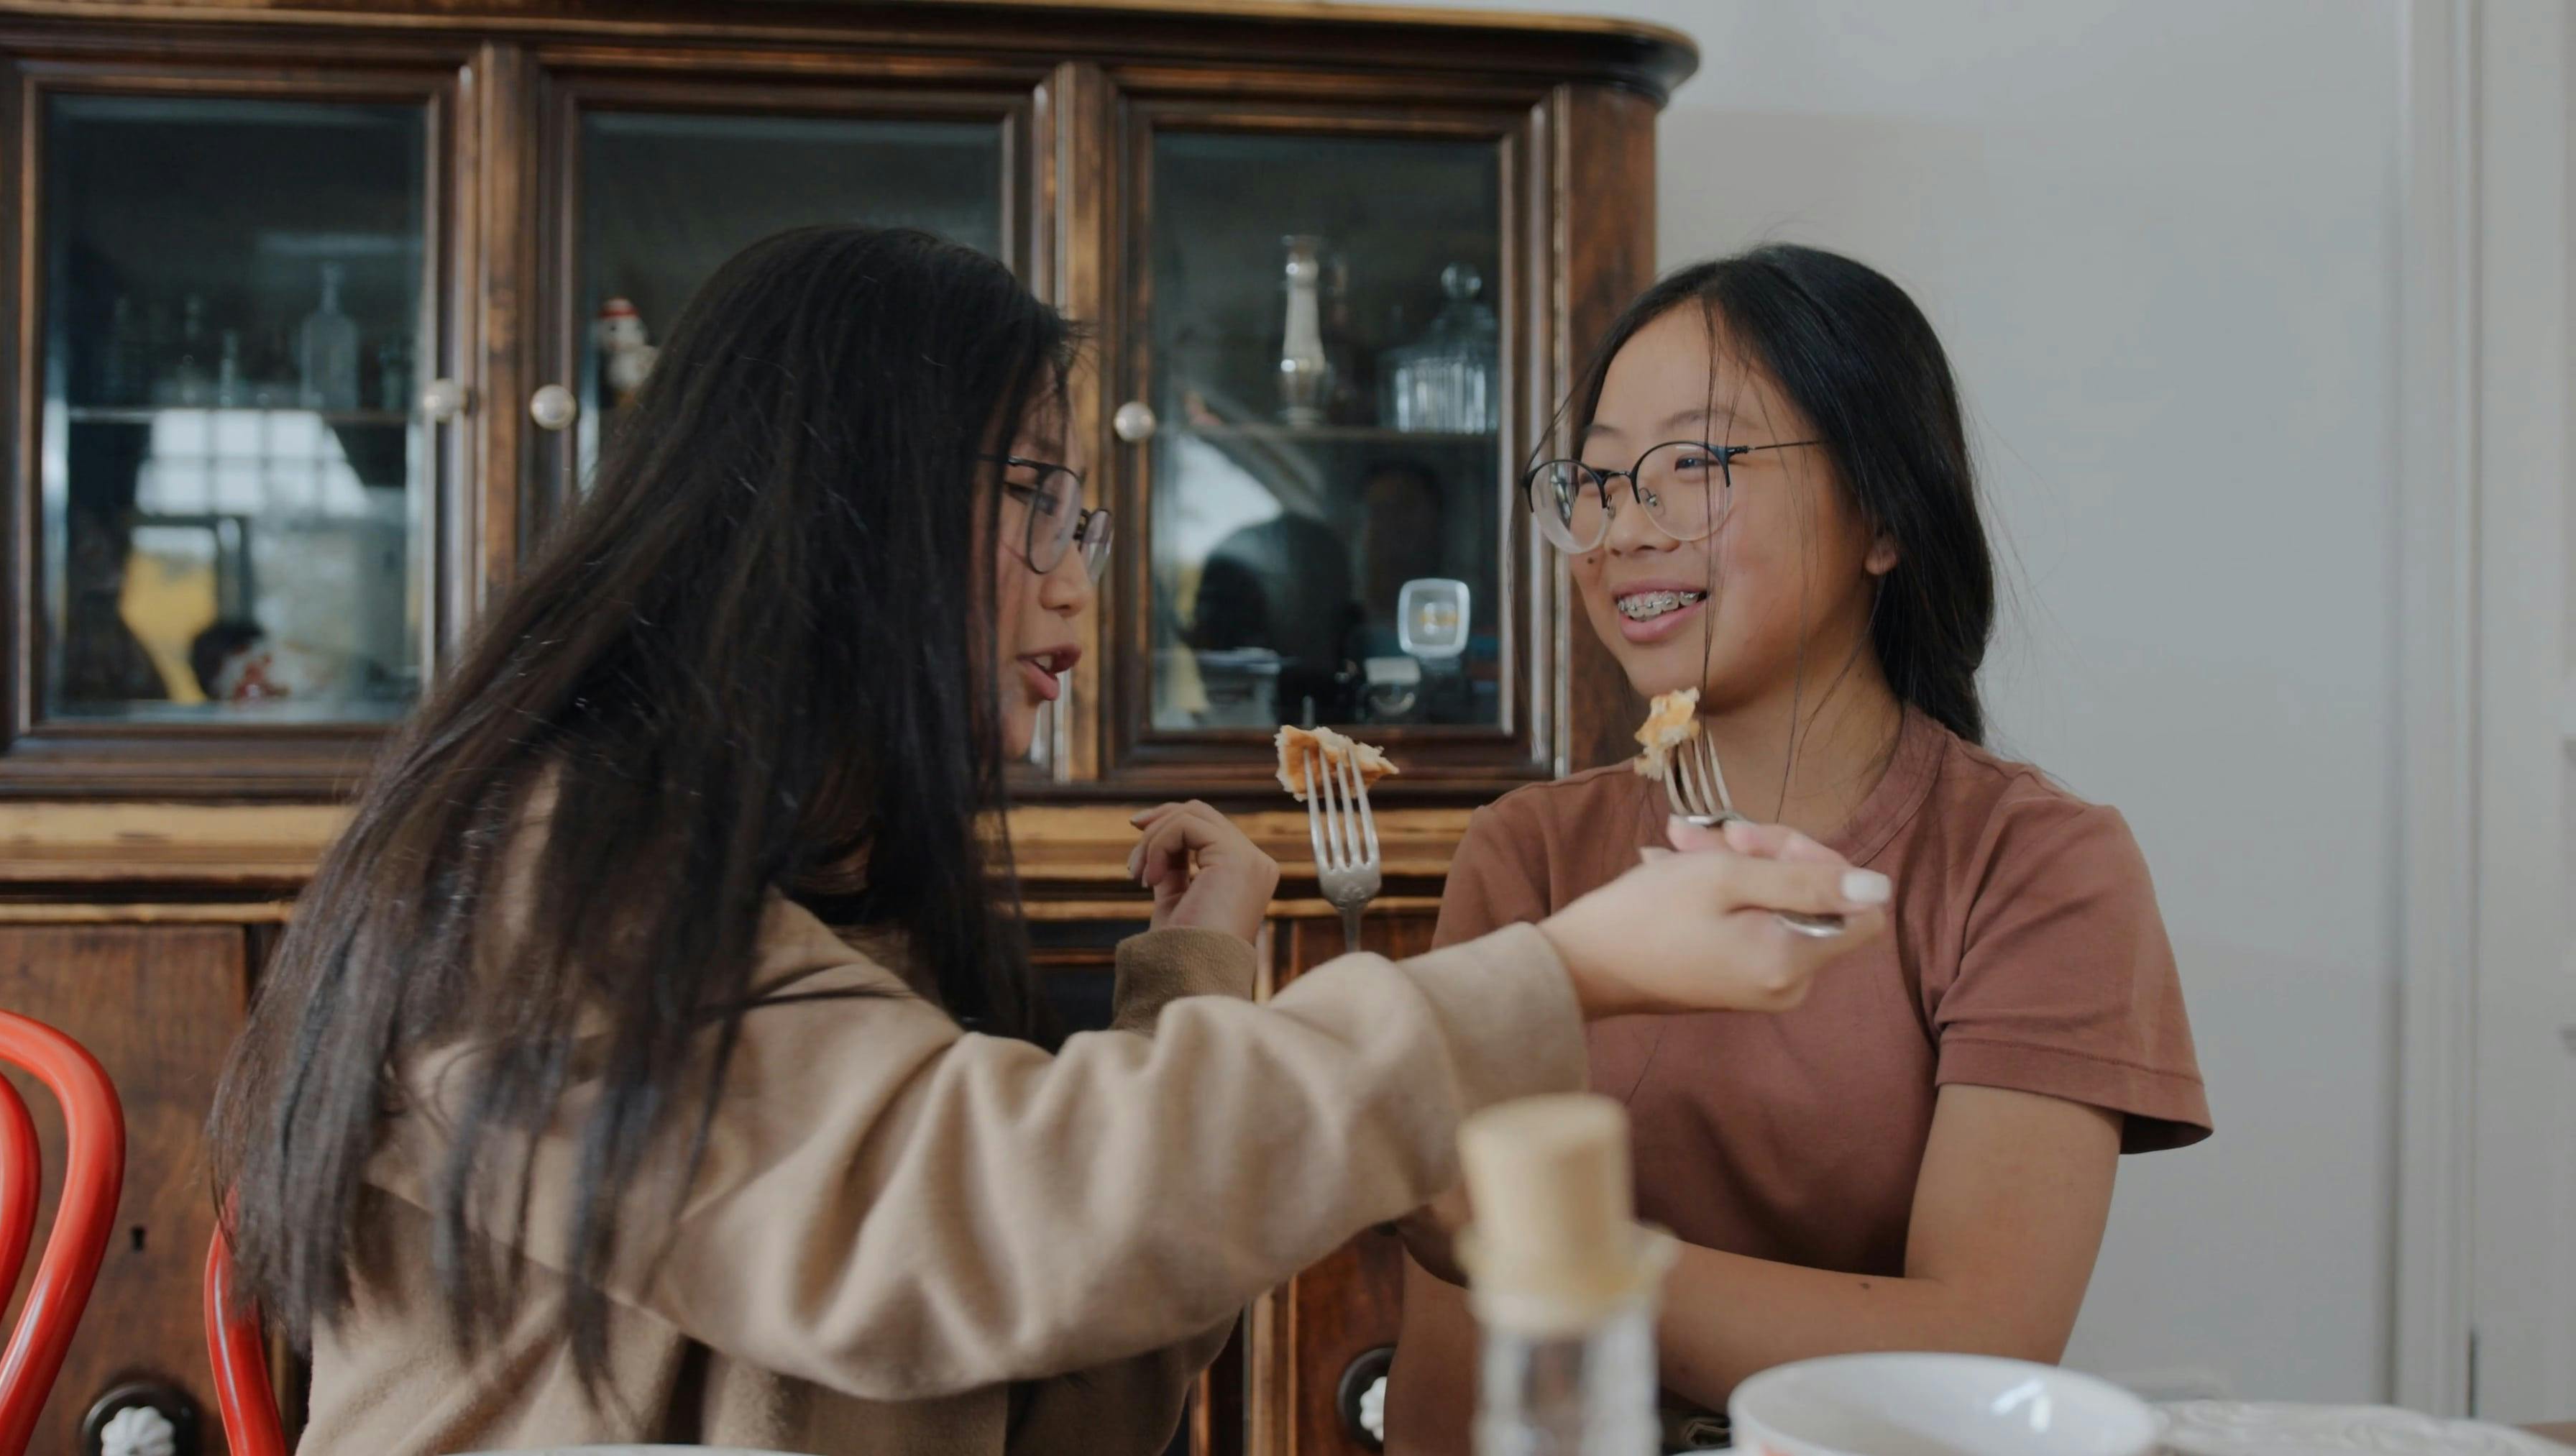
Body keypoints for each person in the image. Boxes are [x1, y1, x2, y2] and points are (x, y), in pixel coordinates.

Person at [206, 226, 1894, 1456]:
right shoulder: (543, 872)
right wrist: (1569, 970)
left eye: (1081, 512)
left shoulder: (846, 902)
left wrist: (1190, 978)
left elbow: (1056, 1351)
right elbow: (961, 1221)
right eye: (1032, 498)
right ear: (829, 501)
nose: (1082, 573)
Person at [1387, 245, 2211, 1447]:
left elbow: (1981, 1345)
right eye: (1601, 481)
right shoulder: (1529, 854)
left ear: (1883, 514)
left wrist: (1549, 1250)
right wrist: (1497, 1247)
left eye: (1693, 466)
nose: (1623, 528)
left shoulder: (2037, 864)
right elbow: (1451, 1405)